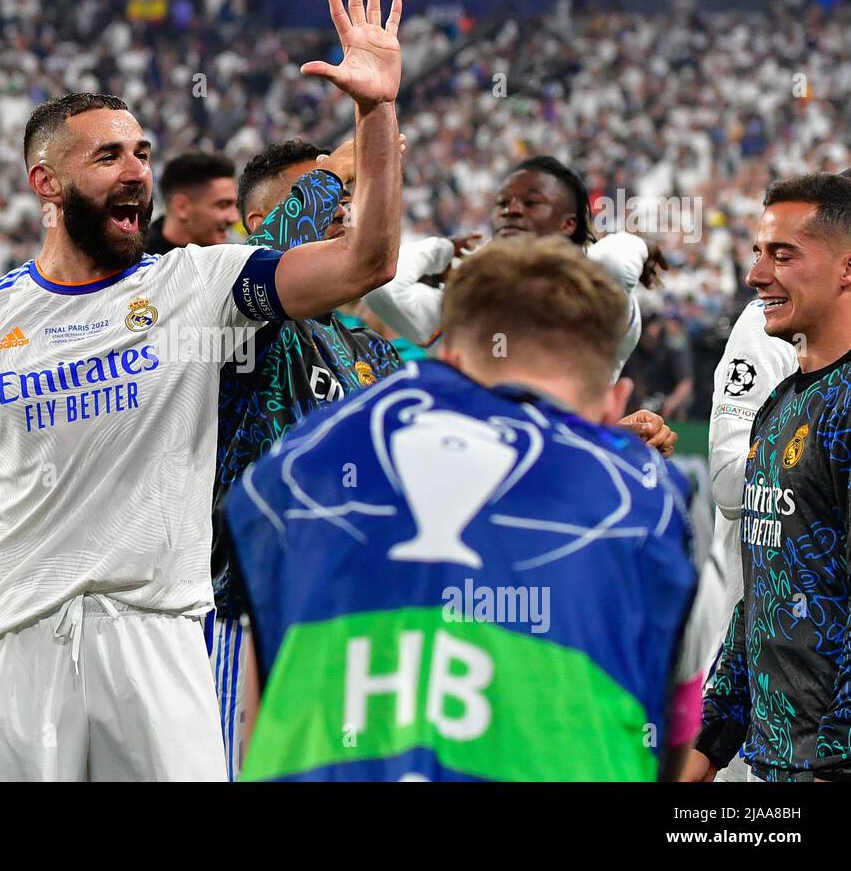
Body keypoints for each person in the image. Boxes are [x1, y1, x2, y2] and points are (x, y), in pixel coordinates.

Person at [0, 0, 405, 782]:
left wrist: (375, 111)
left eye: (142, 153)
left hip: (160, 640)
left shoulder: (197, 286)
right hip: (12, 648)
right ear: (48, 184)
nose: (136, 170)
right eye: (108, 156)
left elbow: (365, 260)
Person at [228, 237, 709, 781]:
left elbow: (261, 714)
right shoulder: (649, 504)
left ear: (451, 362)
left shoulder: (299, 469)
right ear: (615, 402)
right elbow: (674, 742)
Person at [206, 136, 405, 777]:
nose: (342, 206)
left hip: (356, 624)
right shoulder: (238, 322)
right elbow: (268, 264)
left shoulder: (373, 352)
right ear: (262, 223)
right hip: (249, 621)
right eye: (325, 196)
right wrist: (338, 166)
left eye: (348, 197)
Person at [688, 173, 851, 782]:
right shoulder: (782, 404)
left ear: (845, 269)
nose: (756, 276)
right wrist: (706, 744)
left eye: (782, 256)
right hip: (773, 764)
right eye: (759, 253)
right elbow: (766, 599)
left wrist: (828, 768)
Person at [365, 154, 679, 455]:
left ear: (568, 224)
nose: (511, 210)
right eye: (502, 203)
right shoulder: (467, 308)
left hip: (562, 476)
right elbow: (383, 287)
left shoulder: (594, 303)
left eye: (531, 203)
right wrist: (443, 249)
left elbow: (613, 259)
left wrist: (641, 247)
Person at [705, 296, 796, 781]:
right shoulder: (770, 321)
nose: (758, 275)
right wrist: (809, 456)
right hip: (758, 642)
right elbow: (725, 481)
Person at [142, 151, 239, 253]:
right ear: (181, 207)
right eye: (223, 205)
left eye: (235, 205)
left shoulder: (235, 260)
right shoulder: (136, 263)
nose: (234, 218)